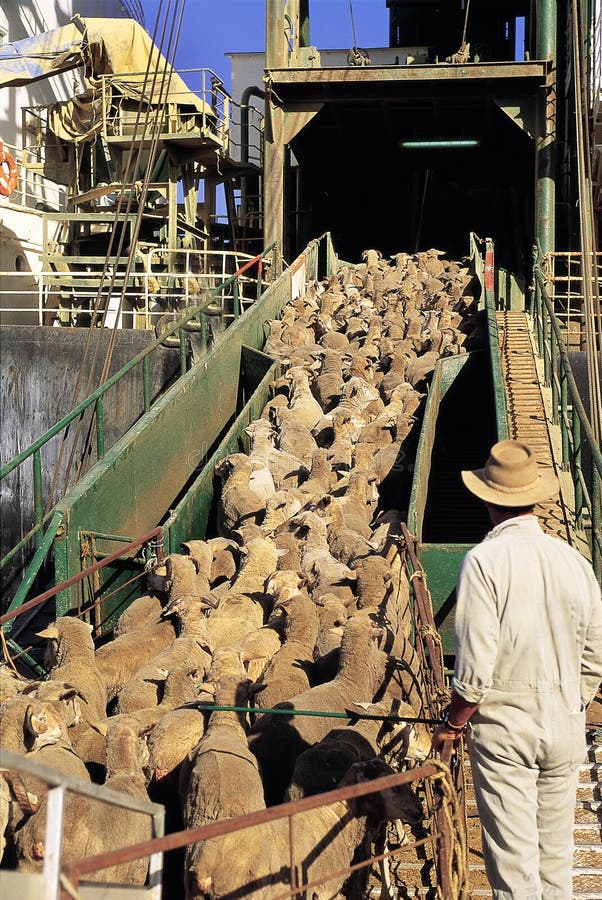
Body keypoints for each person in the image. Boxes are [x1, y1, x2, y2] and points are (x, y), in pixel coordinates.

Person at [431, 439, 602, 899]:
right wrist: (571, 702)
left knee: (514, 871)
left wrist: (452, 724)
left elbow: (474, 670)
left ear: (488, 501)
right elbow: (595, 655)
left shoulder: (484, 562)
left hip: (505, 730)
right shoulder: (575, 560)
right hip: (565, 724)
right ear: (535, 498)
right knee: (556, 864)